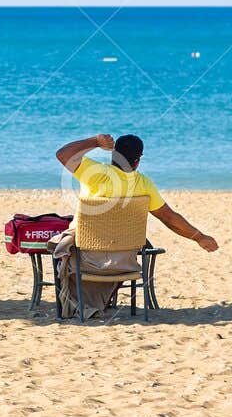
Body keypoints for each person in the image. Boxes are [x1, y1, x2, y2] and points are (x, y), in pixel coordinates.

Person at [52, 133, 218, 317]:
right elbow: (169, 218)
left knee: (62, 242)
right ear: (137, 161)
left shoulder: (97, 175)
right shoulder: (144, 184)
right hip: (124, 262)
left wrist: (95, 142)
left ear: (113, 155)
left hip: (87, 261)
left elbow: (63, 154)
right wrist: (199, 237)